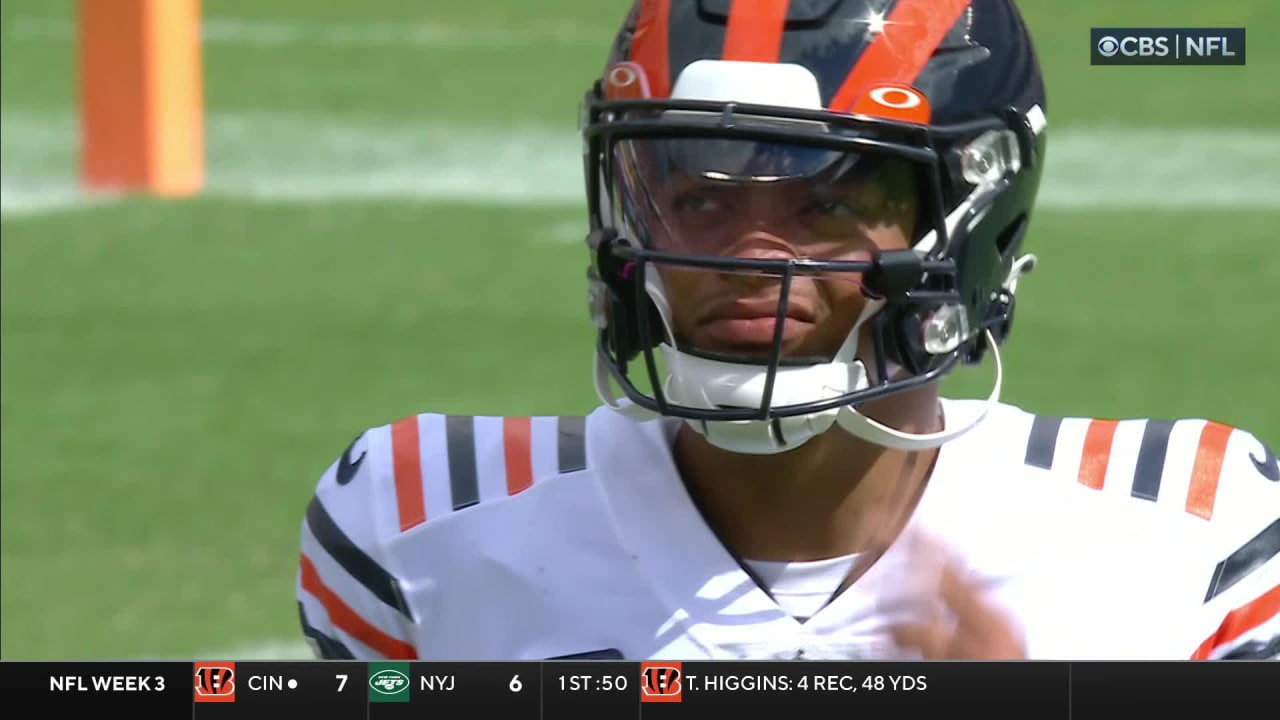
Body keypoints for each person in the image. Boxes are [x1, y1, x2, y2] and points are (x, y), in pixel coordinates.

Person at [295, 0, 1278, 661]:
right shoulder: (417, 521)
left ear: (969, 223)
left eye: (827, 203)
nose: (754, 255)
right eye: (695, 195)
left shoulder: (1189, 528)